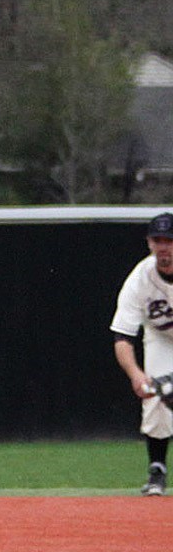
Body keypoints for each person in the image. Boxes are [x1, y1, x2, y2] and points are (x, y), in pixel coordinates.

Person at [110, 212, 173, 497]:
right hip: (161, 337)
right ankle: (157, 469)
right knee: (155, 396)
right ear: (148, 243)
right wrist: (136, 375)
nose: (163, 246)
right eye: (157, 240)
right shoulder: (140, 278)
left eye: (169, 240)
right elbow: (123, 335)